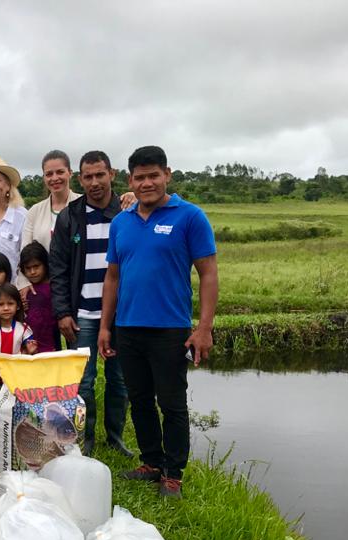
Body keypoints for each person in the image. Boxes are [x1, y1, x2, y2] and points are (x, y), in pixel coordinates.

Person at [99, 145, 219, 498]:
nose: (147, 183)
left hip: (170, 328)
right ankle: (151, 462)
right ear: (130, 180)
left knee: (172, 403)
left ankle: (173, 473)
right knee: (139, 399)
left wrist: (204, 328)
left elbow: (208, 273)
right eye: (140, 177)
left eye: (154, 175)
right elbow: (112, 277)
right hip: (128, 327)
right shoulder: (121, 223)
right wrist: (105, 326)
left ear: (167, 174)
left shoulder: (190, 217)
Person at [50, 150, 131, 458]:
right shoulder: (70, 217)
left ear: (112, 174)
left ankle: (115, 437)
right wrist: (63, 312)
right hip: (82, 313)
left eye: (100, 175)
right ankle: (84, 438)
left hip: (121, 314)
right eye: (88, 177)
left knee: (119, 379)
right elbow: (58, 269)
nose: (95, 182)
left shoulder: (127, 212)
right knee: (83, 381)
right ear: (80, 179)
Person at [0, 283, 37, 400]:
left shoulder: (24, 328)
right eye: (1, 304)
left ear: (18, 306)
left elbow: (27, 357)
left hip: (18, 380)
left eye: (10, 303)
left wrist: (31, 352)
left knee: (18, 409)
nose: (6, 308)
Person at [22, 150, 81, 253]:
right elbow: (26, 252)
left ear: (70, 173)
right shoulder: (34, 212)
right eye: (49, 174)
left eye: (60, 172)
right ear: (44, 178)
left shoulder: (84, 205)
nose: (54, 178)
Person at [18, 242, 59, 353]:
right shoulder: (24, 290)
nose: (32, 272)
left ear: (45, 264)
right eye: (28, 268)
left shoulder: (55, 287)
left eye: (36, 266)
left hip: (51, 346)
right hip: (27, 347)